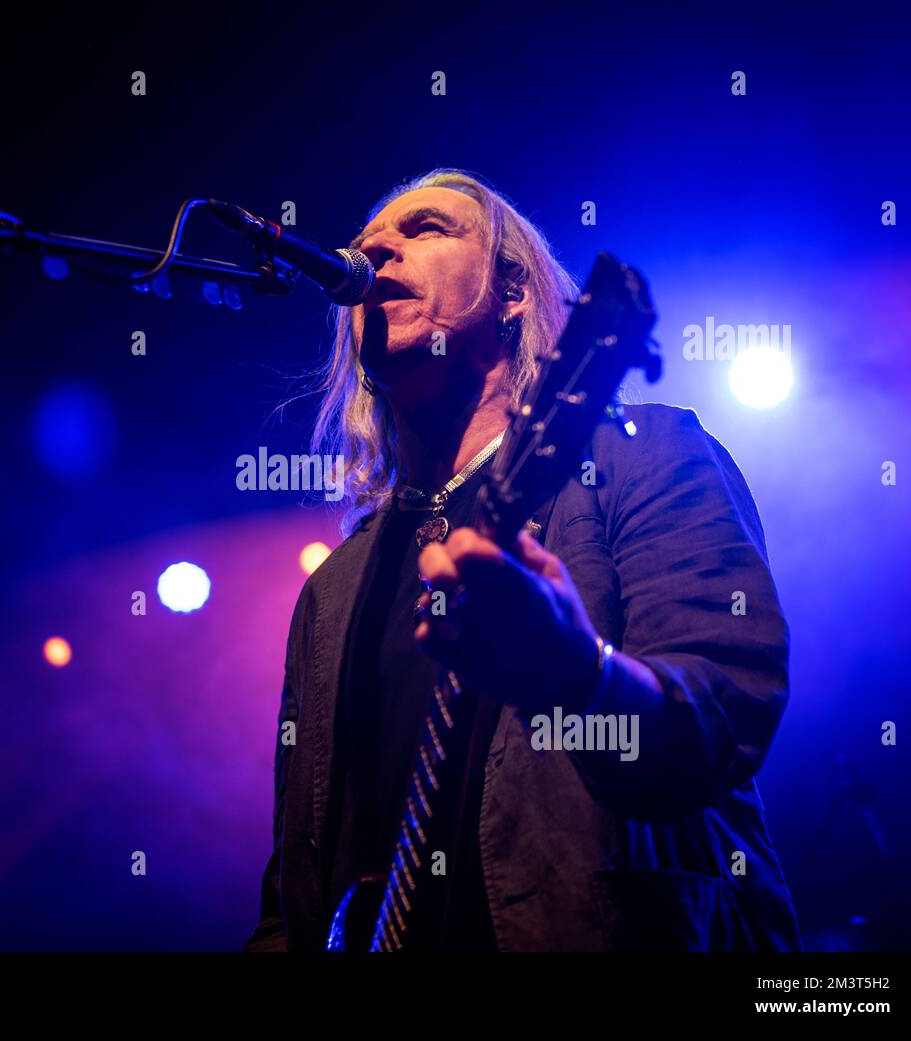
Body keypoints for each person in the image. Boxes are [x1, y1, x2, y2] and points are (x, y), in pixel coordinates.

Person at [245, 168, 801, 951]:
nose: (377, 251)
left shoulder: (644, 456)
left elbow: (719, 720)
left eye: (426, 229)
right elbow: (292, 892)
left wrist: (579, 675)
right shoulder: (333, 591)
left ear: (511, 290)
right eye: (368, 245)